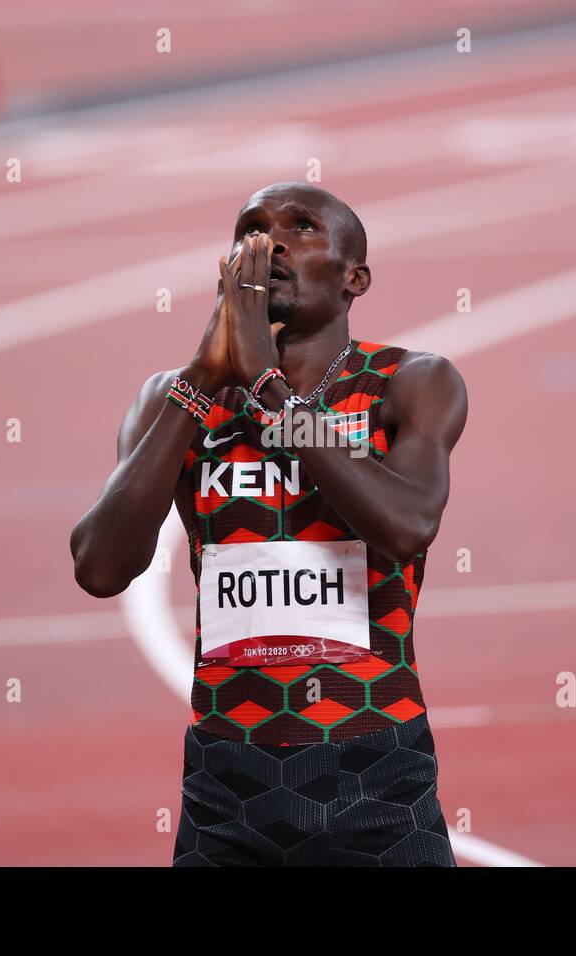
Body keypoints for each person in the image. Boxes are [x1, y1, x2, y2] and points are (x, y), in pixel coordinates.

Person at [70, 182, 468, 866]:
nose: (269, 241)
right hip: (229, 790)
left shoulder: (409, 382)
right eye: (250, 229)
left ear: (354, 279)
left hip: (376, 774)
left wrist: (268, 389)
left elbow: (407, 525)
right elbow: (100, 568)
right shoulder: (174, 399)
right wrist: (202, 376)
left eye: (302, 227)